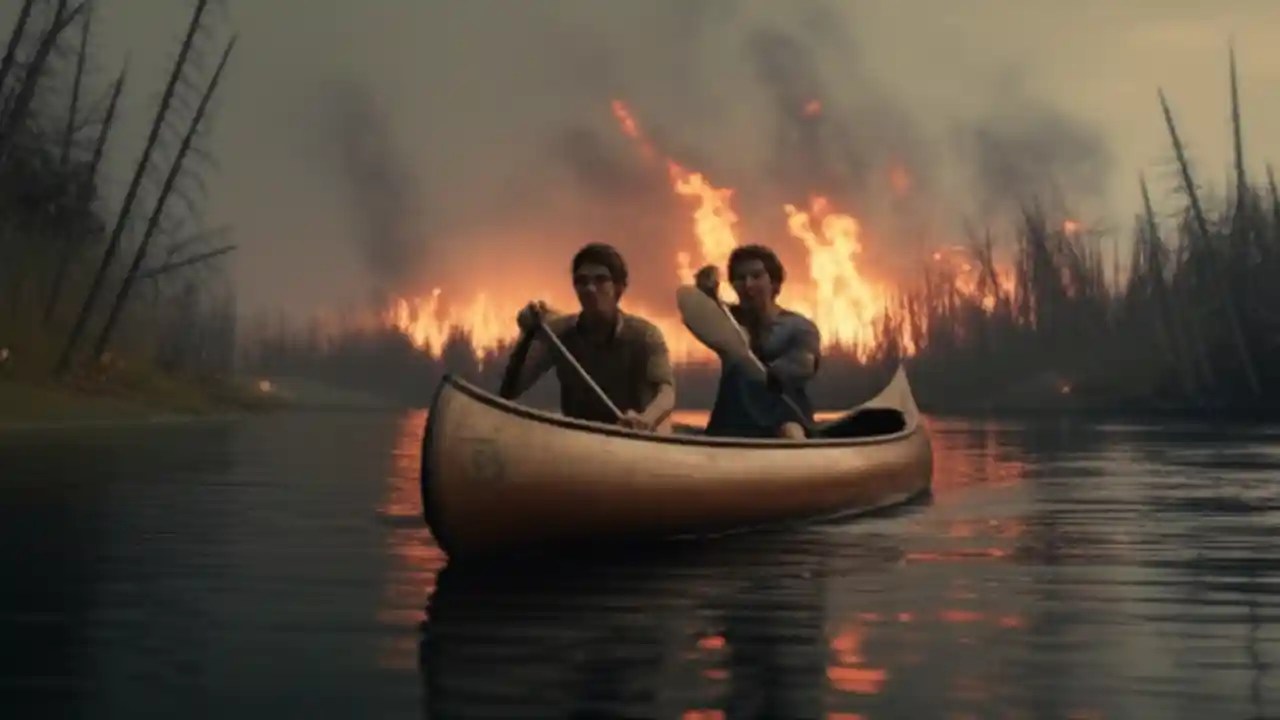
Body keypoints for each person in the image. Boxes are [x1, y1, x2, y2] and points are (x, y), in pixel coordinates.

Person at [499, 243, 676, 432]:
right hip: (582, 439)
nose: (590, 288)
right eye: (582, 281)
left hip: (638, 440)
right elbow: (510, 391)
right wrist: (527, 336)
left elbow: (666, 392)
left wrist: (645, 419)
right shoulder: (560, 334)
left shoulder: (646, 335)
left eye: (601, 280)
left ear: (619, 288)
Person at [703, 245, 821, 439]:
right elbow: (701, 312)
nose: (748, 285)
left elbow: (805, 364)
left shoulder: (799, 326)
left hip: (783, 415)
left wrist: (769, 372)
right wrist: (706, 290)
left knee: (791, 432)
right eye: (740, 279)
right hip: (731, 421)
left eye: (756, 276)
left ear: (773, 283)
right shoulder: (726, 320)